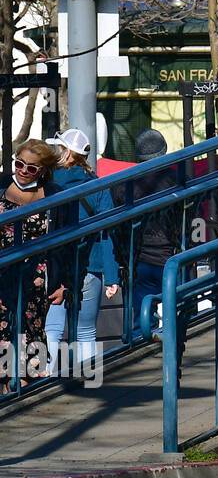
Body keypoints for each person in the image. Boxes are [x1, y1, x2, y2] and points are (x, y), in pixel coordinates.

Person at [42, 129, 119, 374]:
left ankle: (49, 377)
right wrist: (112, 276)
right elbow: (106, 233)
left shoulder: (49, 184)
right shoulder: (98, 184)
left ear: (65, 152)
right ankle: (87, 379)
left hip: (55, 263)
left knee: (52, 326)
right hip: (91, 263)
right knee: (86, 328)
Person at [0, 139, 65, 384]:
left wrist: (63, 283)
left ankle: (26, 386)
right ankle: (7, 390)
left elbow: (65, 242)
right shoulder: (1, 186)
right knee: (2, 331)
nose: (23, 171)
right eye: (19, 164)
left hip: (35, 277)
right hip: (3, 271)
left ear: (43, 170)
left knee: (30, 329)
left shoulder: (55, 195)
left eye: (31, 168)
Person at [117, 129, 178, 340]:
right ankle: (172, 339)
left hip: (138, 255)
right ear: (165, 152)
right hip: (170, 253)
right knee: (176, 307)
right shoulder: (177, 180)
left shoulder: (126, 183)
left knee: (140, 308)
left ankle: (138, 339)